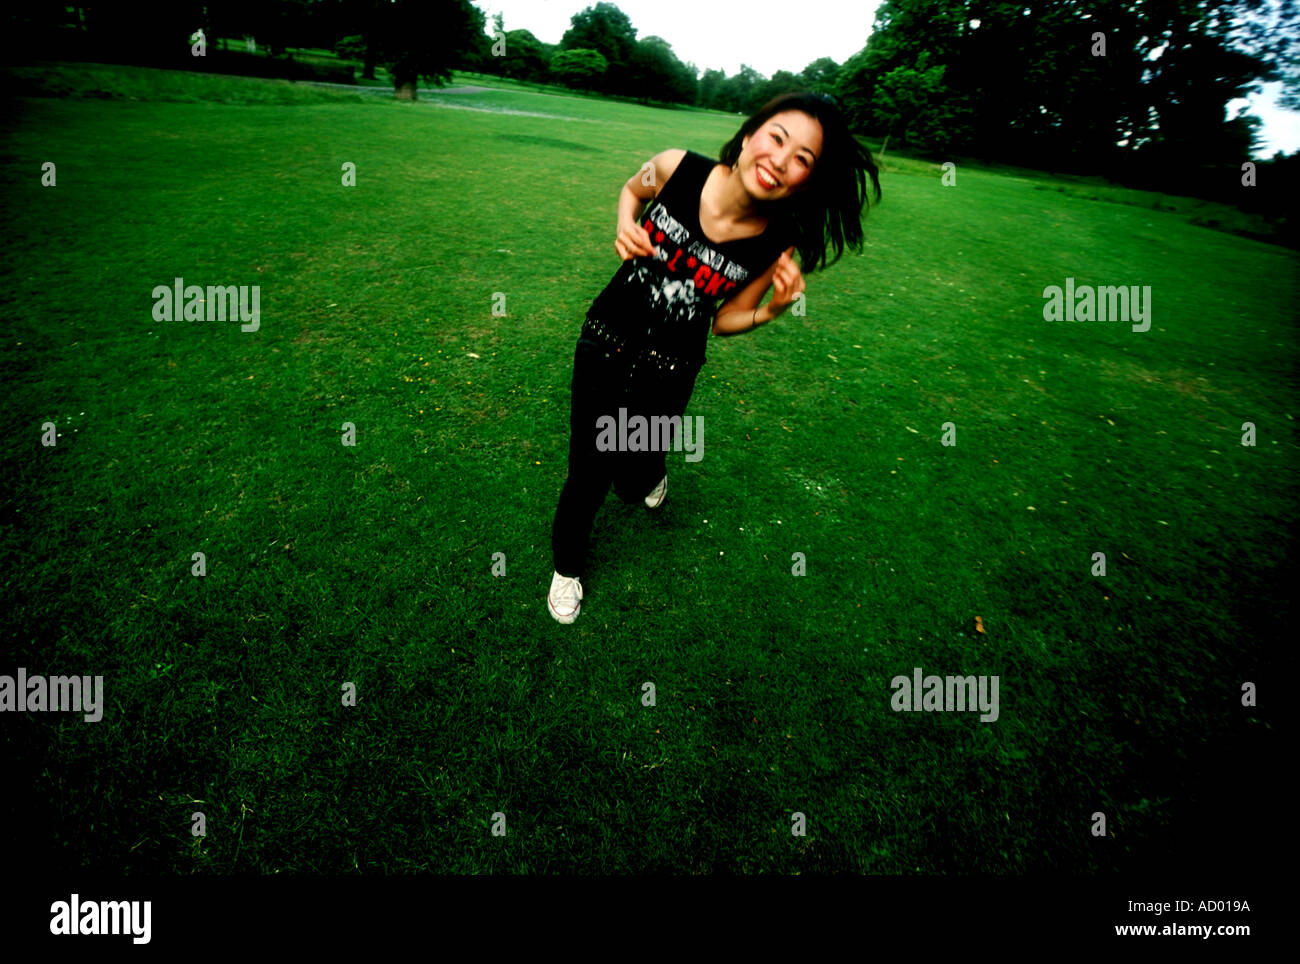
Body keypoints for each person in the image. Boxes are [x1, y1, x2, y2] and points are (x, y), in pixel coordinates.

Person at [548, 90, 881, 624]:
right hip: (605, 340)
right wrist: (624, 223)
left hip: (671, 369)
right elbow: (630, 191)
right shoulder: (675, 167)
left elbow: (724, 320)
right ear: (750, 135)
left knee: (631, 479)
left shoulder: (775, 243)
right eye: (777, 138)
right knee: (588, 467)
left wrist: (773, 311)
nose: (780, 160)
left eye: (802, 158)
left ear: (806, 179)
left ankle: (648, 472)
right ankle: (567, 567)